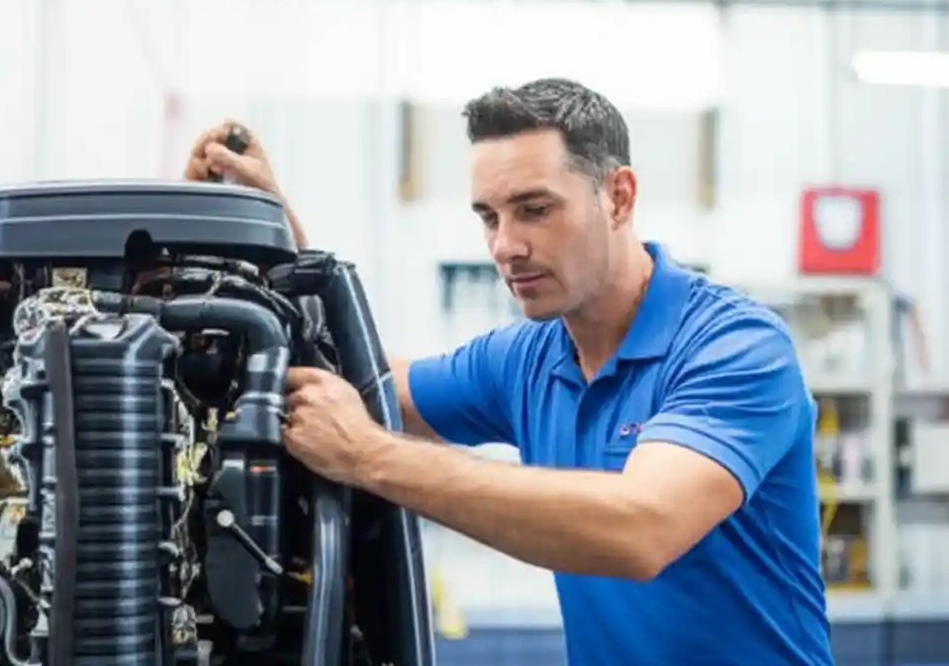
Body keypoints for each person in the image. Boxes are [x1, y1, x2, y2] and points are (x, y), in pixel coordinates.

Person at [183, 78, 834, 666]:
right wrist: (265, 235)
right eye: (489, 217)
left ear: (619, 196)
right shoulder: (529, 359)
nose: (504, 246)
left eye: (535, 209)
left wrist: (368, 455)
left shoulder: (734, 346)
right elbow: (357, 378)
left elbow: (640, 528)